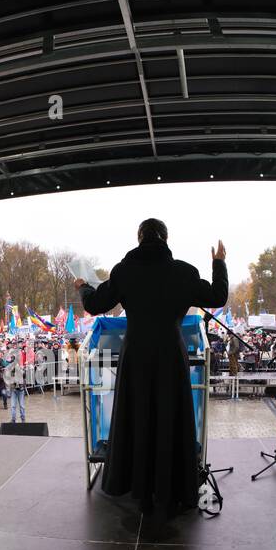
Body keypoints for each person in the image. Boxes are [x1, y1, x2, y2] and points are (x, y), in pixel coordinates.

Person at [75, 218, 228, 522]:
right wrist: (219, 263)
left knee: (139, 417)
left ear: (139, 238)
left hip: (136, 357)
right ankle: (172, 491)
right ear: (166, 239)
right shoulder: (184, 272)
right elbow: (217, 297)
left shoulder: (124, 271)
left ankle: (142, 494)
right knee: (170, 417)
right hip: (171, 356)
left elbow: (95, 304)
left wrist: (83, 287)